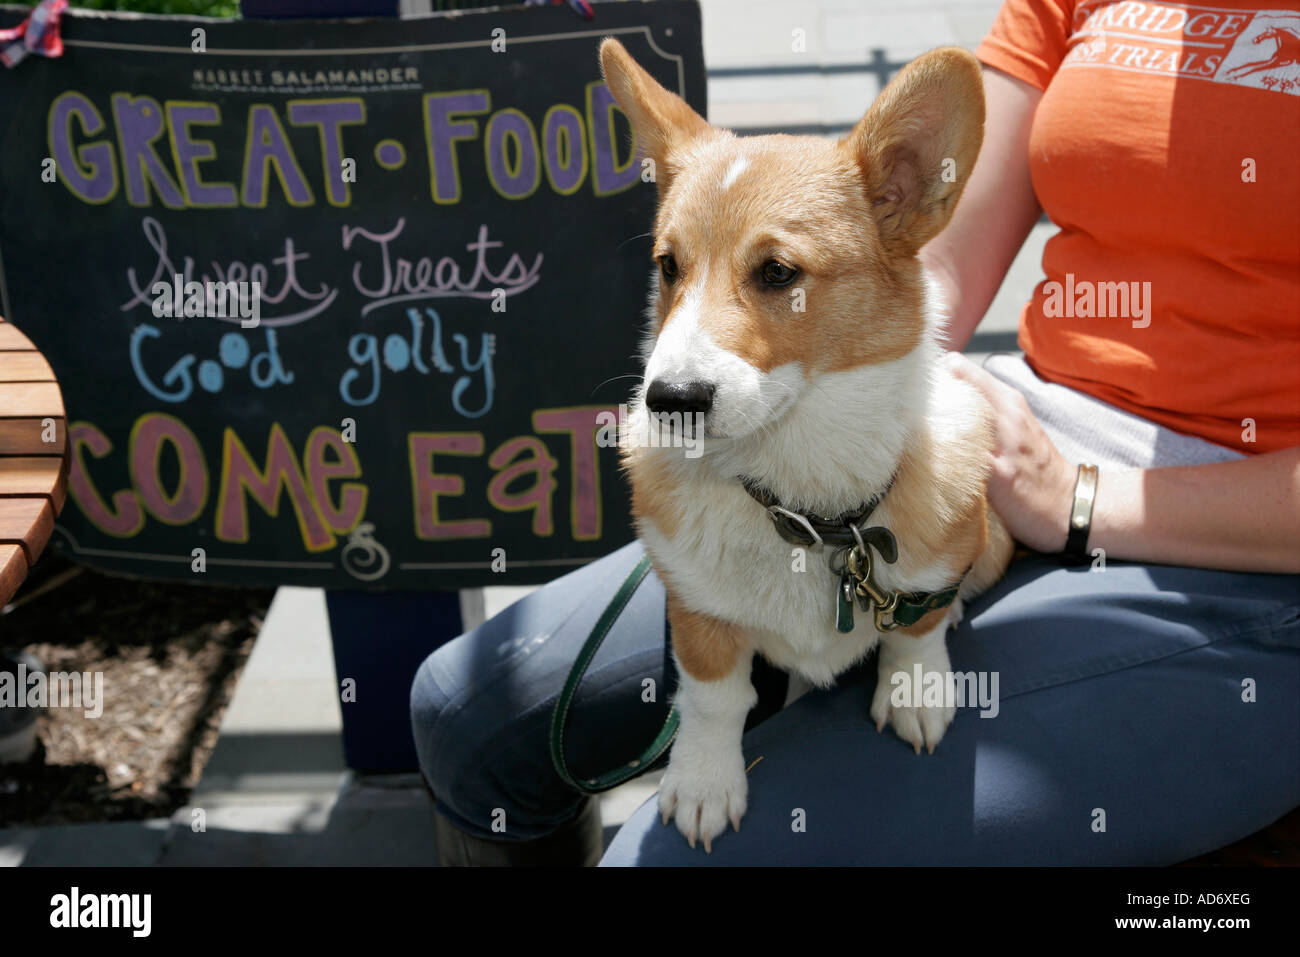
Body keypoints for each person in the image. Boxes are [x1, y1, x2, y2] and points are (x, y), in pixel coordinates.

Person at [410, 0, 1300, 865]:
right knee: (464, 713)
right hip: (1011, 444)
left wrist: (1078, 498)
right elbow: (917, 255)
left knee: (681, 858)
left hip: (1238, 555)